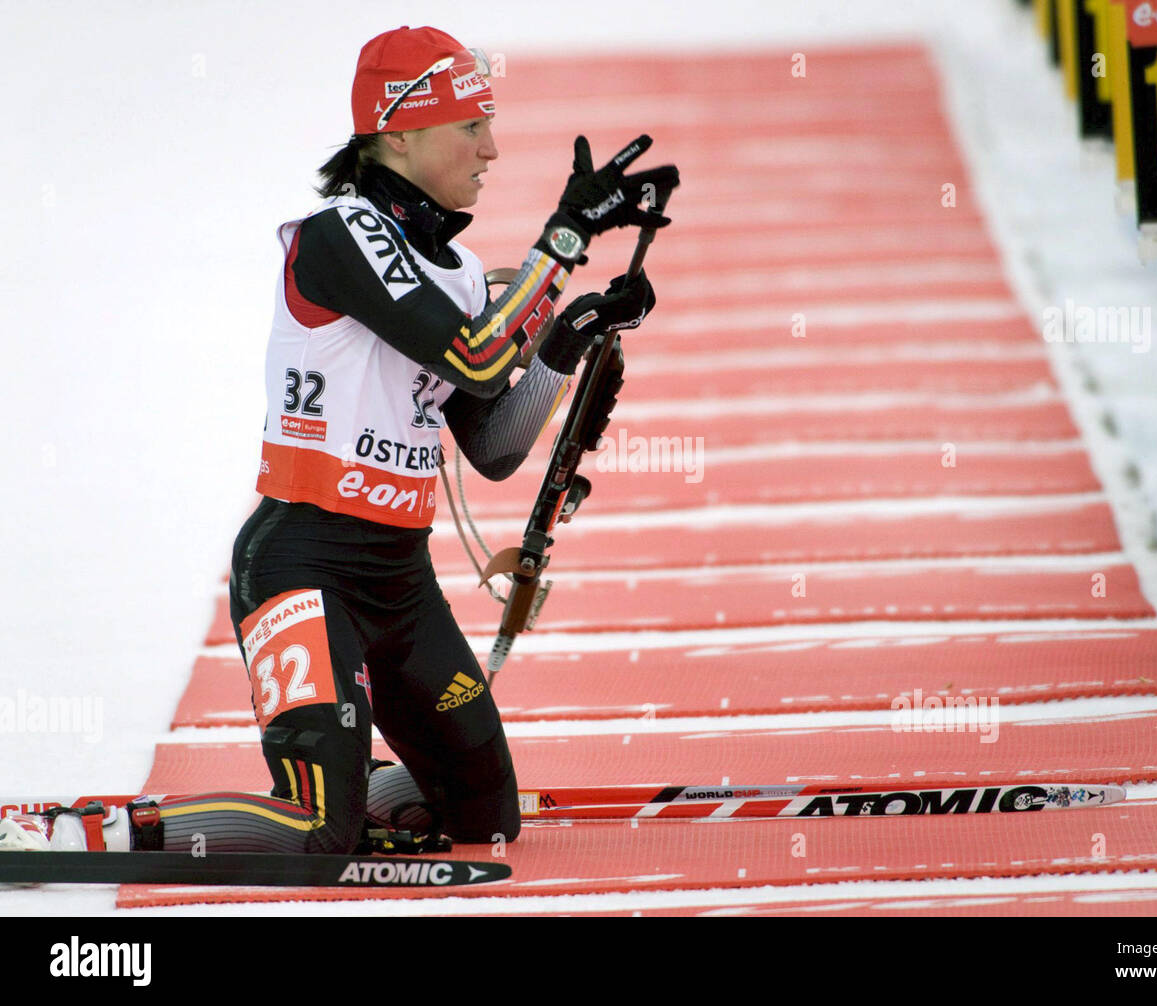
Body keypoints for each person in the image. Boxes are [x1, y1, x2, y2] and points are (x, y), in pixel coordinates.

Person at [0, 25, 678, 855]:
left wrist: (571, 333)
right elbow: (477, 353)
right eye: (471, 125)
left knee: (487, 818)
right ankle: (81, 833)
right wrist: (563, 241)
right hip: (303, 564)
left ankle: (357, 788)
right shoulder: (337, 235)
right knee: (320, 831)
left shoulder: (461, 275)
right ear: (398, 130)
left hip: (399, 580)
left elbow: (493, 443)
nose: (491, 148)